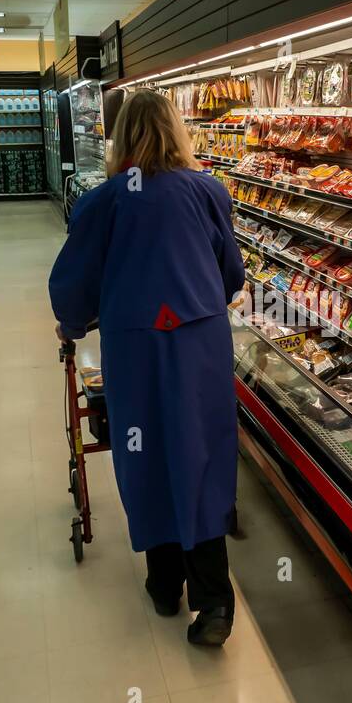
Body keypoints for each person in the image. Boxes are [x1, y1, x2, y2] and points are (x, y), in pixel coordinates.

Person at [48, 89, 245, 647]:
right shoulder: (208, 191)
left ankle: (164, 584)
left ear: (120, 138)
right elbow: (231, 274)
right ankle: (214, 603)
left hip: (136, 347)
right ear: (177, 131)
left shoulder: (105, 200)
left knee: (146, 452)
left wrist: (72, 324)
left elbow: (74, 287)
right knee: (201, 454)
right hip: (200, 343)